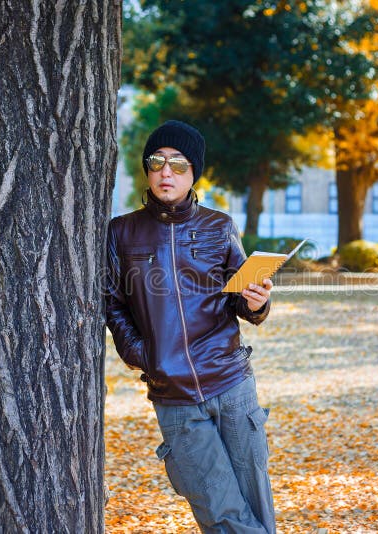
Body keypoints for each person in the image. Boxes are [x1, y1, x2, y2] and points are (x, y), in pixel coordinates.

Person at [104, 120, 276, 533]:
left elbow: (240, 296)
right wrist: (145, 356)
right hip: (174, 395)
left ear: (193, 173)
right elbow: (113, 304)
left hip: (232, 384)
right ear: (147, 169)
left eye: (178, 165)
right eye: (157, 162)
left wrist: (258, 303)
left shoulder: (219, 226)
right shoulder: (123, 232)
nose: (166, 172)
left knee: (256, 504)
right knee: (221, 513)